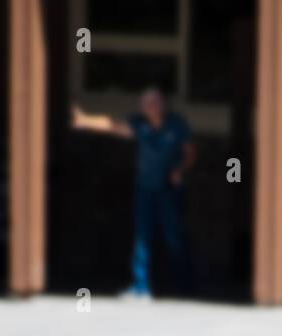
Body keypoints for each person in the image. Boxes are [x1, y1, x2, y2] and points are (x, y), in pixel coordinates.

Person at [71, 87, 196, 300]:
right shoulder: (139, 123)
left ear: (163, 105)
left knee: (173, 236)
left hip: (169, 189)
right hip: (145, 189)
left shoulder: (177, 124)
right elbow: (112, 125)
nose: (150, 107)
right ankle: (141, 286)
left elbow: (190, 153)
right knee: (142, 236)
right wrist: (85, 121)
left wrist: (180, 170)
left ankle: (185, 286)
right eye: (146, 104)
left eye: (155, 102)